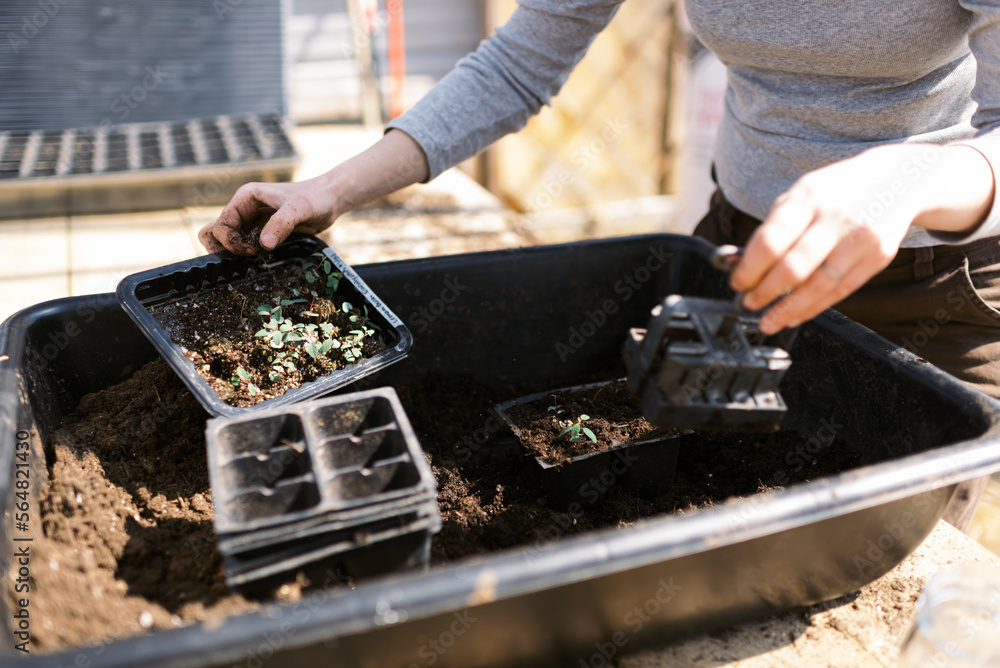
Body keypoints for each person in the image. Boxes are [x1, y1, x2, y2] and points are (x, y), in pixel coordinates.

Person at [199, 0, 1000, 531]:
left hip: (931, 285)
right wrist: (332, 187)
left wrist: (909, 182)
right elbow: (520, 64)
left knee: (907, 567)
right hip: (738, 251)